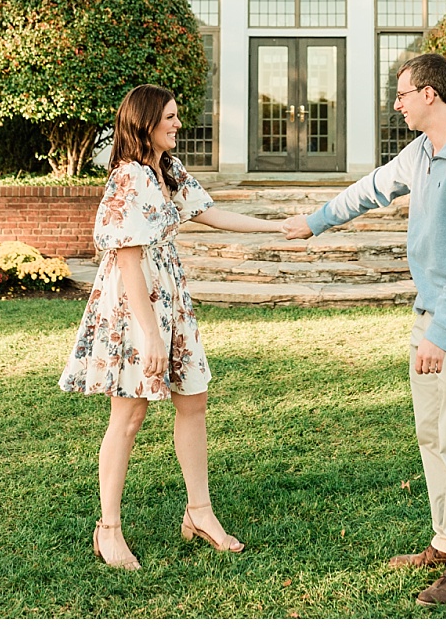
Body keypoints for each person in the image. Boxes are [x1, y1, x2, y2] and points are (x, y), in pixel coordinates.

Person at [283, 52, 446, 608]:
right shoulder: (422, 152)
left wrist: (441, 334)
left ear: (430, 94)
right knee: (432, 436)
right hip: (429, 319)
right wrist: (314, 223)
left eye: (403, 94)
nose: (397, 103)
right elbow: (370, 189)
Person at [59, 84, 282, 569]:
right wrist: (151, 335)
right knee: (130, 415)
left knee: (193, 400)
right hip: (134, 304)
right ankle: (108, 530)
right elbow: (127, 260)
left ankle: (199, 512)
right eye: (171, 117)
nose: (179, 124)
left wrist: (277, 227)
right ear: (146, 122)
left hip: (170, 295)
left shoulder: (166, 168)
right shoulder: (127, 178)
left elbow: (208, 212)